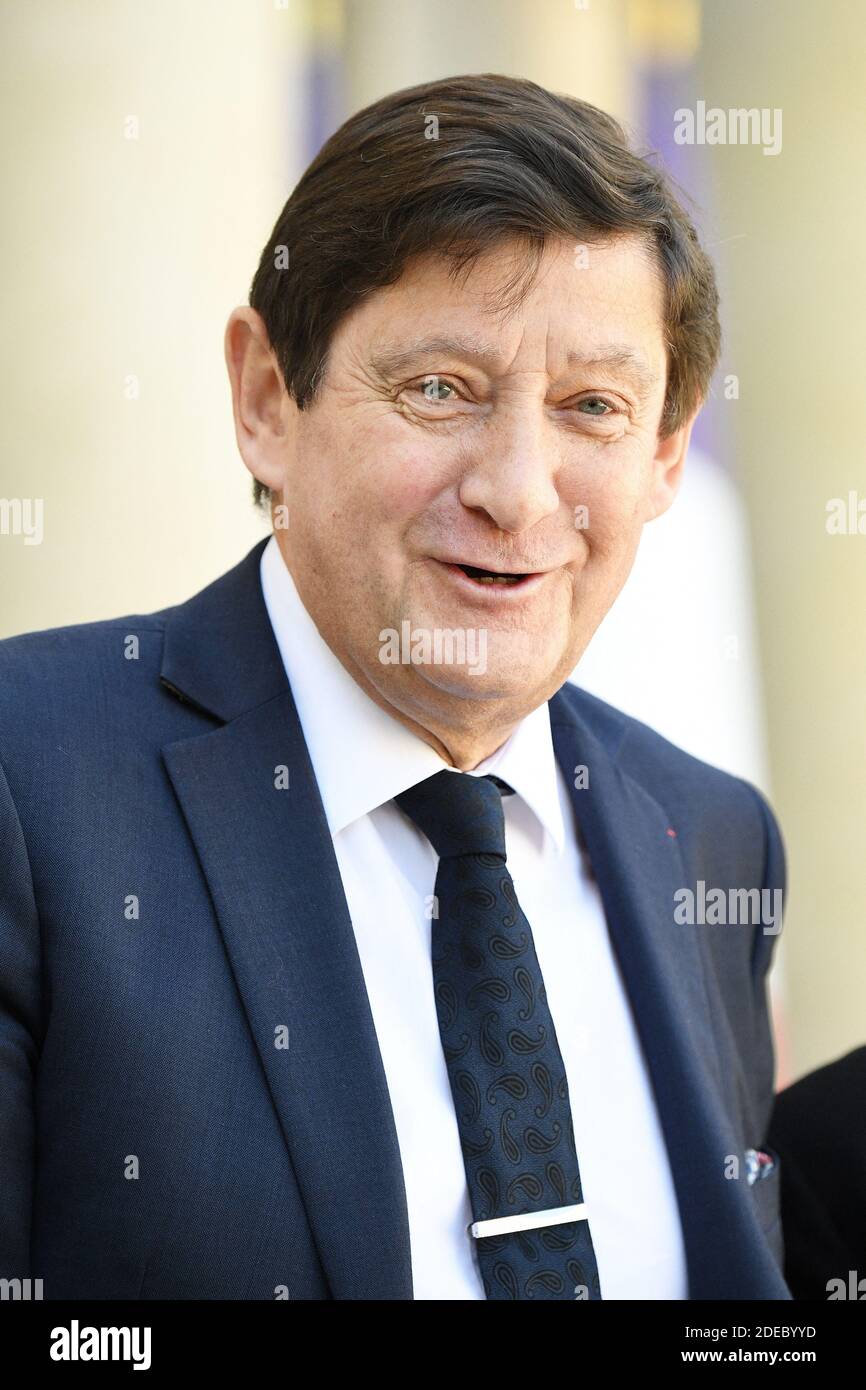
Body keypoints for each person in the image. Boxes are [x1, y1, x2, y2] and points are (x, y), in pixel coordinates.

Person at [0, 73, 790, 1300]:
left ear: (663, 455)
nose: (517, 492)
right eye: (439, 389)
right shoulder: (30, 782)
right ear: (268, 399)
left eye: (593, 407)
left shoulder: (711, 838)